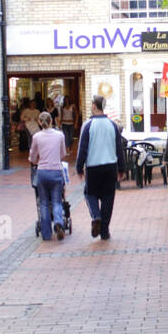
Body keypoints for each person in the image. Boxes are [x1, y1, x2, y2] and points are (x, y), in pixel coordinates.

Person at [75, 94, 125, 240]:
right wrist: (121, 168)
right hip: (110, 166)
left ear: (94, 106)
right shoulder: (112, 125)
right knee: (108, 198)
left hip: (93, 167)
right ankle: (104, 231)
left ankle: (96, 216)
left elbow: (82, 149)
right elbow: (118, 148)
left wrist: (79, 168)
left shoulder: (88, 125)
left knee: (90, 194)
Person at [29, 110, 68, 241]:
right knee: (57, 201)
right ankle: (58, 221)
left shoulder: (36, 137)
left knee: (44, 203)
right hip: (56, 171)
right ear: (51, 121)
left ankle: (46, 234)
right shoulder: (60, 135)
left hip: (42, 172)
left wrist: (36, 159)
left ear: (40, 123)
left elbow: (32, 157)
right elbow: (63, 154)